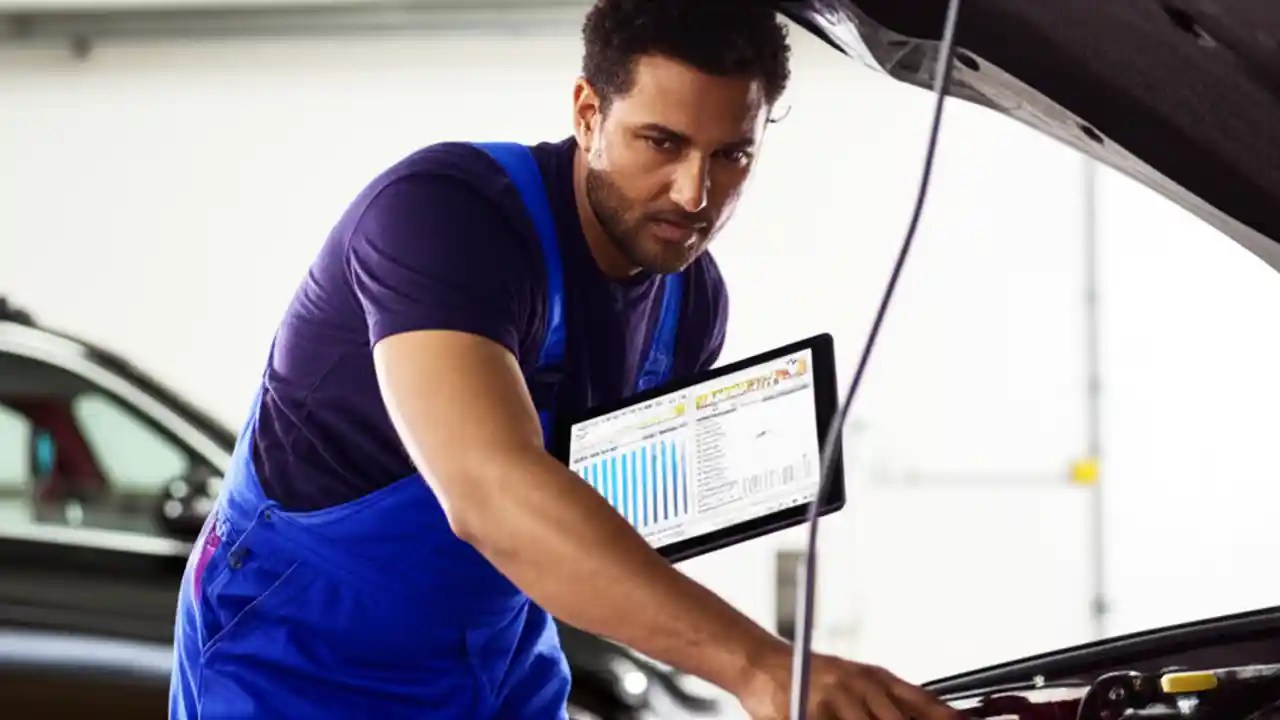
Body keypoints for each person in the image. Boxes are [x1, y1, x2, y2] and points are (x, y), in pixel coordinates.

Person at [169, 1, 963, 718]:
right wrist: (757, 665)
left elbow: (603, 520)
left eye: (732, 156)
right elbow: (488, 491)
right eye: (663, 142)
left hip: (499, 657)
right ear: (588, 113)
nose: (695, 194)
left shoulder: (691, 300)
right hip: (301, 661)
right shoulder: (446, 219)